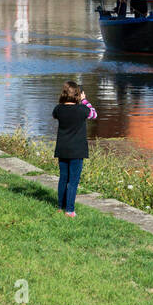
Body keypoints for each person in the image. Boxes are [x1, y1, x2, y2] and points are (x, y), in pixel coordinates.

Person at [52, 81, 97, 217]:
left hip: (62, 149)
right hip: (77, 151)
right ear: (78, 95)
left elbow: (55, 116)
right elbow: (94, 114)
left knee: (63, 178)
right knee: (73, 181)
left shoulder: (58, 109)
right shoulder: (82, 110)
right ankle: (70, 210)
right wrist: (84, 101)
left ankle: (61, 206)